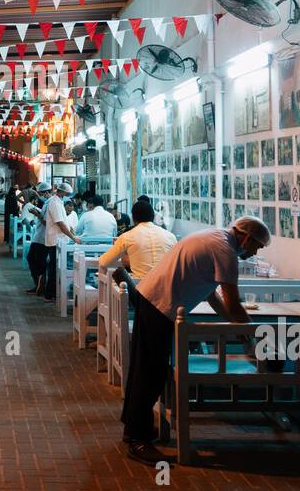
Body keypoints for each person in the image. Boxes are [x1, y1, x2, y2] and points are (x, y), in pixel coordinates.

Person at [119, 216, 271, 464]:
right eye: (257, 246)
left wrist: (236, 326)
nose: (254, 252)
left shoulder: (214, 238)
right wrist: (255, 337)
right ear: (246, 237)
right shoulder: (226, 251)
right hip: (160, 305)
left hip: (153, 300)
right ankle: (138, 440)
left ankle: (133, 429)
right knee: (150, 374)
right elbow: (234, 304)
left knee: (144, 370)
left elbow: (212, 295)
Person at [99, 199, 175, 284]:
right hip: (167, 289)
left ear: (133, 218)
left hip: (140, 291)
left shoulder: (127, 236)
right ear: (153, 217)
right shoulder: (170, 237)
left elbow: (103, 262)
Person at [38, 181, 80, 301]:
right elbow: (60, 223)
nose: (67, 196)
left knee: (55, 266)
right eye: (66, 194)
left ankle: (52, 292)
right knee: (53, 267)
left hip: (59, 239)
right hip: (55, 239)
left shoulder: (58, 202)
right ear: (61, 192)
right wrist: (73, 237)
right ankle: (50, 293)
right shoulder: (54, 203)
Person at [23, 184, 51, 295]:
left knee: (37, 261)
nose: (39, 196)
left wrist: (36, 214)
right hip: (39, 236)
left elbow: (46, 221)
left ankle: (40, 285)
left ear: (46, 193)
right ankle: (38, 284)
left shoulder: (50, 203)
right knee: (33, 259)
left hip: (42, 238)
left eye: (40, 194)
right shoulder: (47, 203)